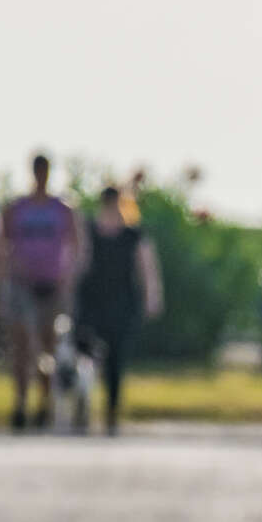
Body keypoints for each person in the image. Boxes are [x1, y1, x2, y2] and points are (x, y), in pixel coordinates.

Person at [1, 153, 83, 431]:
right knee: (22, 346)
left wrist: (68, 278)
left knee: (49, 348)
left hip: (53, 285)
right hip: (22, 285)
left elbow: (76, 246)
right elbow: (3, 245)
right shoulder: (17, 208)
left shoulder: (63, 209)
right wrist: (8, 275)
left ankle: (44, 404)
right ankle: (20, 404)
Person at [78, 184, 164, 434]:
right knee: (85, 355)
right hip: (92, 302)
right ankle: (83, 404)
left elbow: (147, 269)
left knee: (116, 358)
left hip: (123, 304)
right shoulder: (90, 231)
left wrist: (152, 299)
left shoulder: (134, 235)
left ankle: (111, 411)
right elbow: (79, 263)